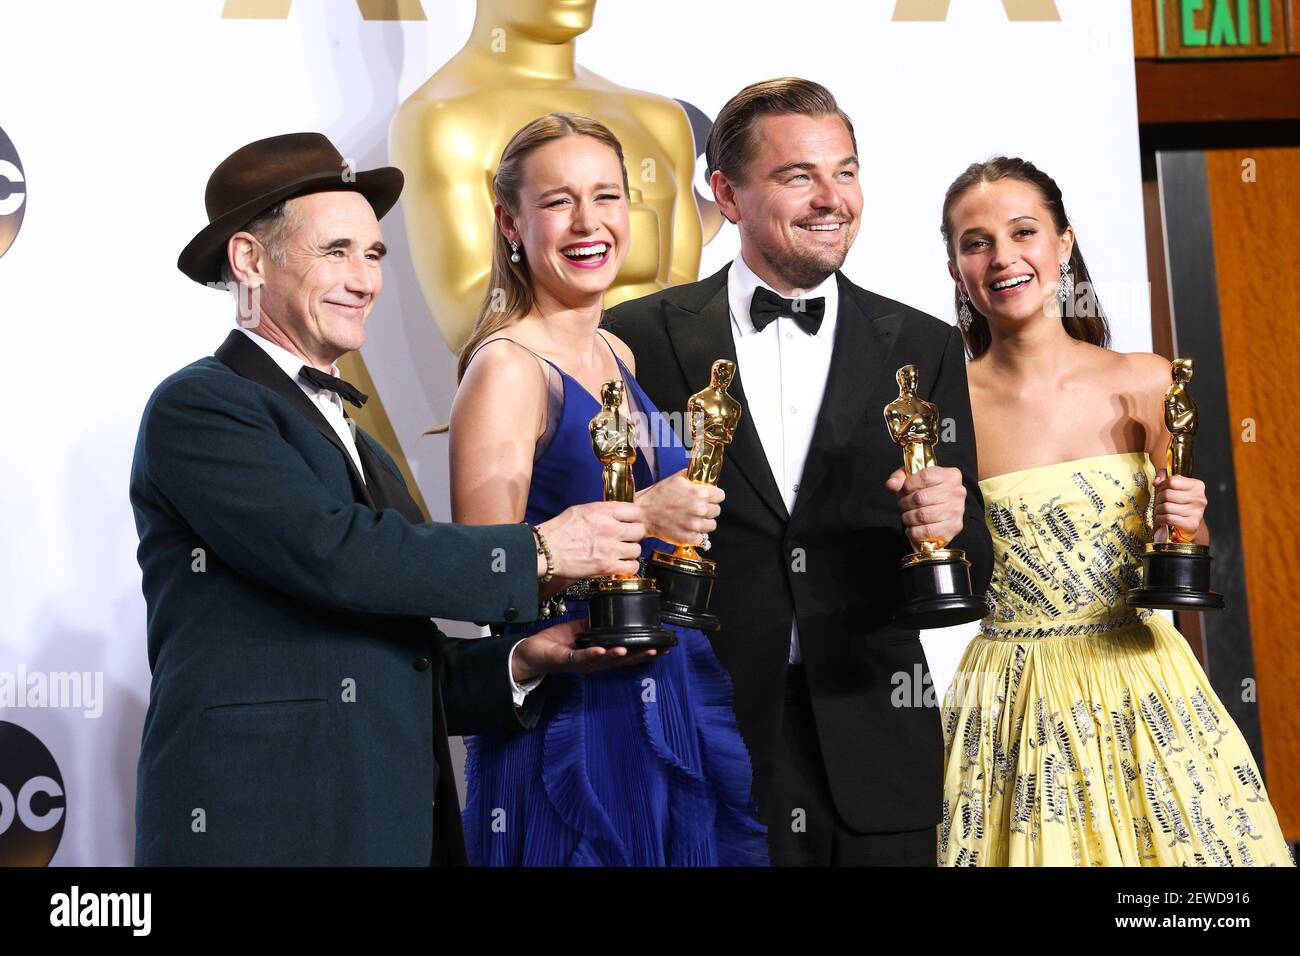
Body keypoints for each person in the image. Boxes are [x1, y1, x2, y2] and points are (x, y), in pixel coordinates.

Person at [131, 132, 647, 866]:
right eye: (336, 251)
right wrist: (539, 550)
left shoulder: (360, 441)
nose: (365, 280)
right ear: (249, 260)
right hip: (262, 825)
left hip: (386, 825)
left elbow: (402, 665)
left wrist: (526, 661)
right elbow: (337, 555)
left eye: (373, 256)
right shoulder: (201, 408)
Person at [605, 79, 993, 866]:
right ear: (727, 193)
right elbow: (598, 536)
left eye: (845, 172)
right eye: (797, 176)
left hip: (876, 749)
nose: (832, 199)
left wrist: (953, 526)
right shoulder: (635, 335)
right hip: (699, 741)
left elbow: (973, 566)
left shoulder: (923, 344)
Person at [935, 155, 1293, 866]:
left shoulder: (1148, 381)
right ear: (956, 268)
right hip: (1012, 698)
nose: (1003, 258)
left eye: (1023, 232)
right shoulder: (944, 409)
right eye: (976, 243)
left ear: (1063, 244)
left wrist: (1186, 515)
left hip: (1143, 682)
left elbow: (1190, 548)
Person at [448, 113, 767, 866]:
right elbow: (482, 581)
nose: (589, 222)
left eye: (607, 196)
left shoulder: (615, 348)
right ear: (510, 223)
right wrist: (642, 516)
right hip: (576, 713)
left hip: (663, 682)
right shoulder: (507, 368)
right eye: (559, 201)